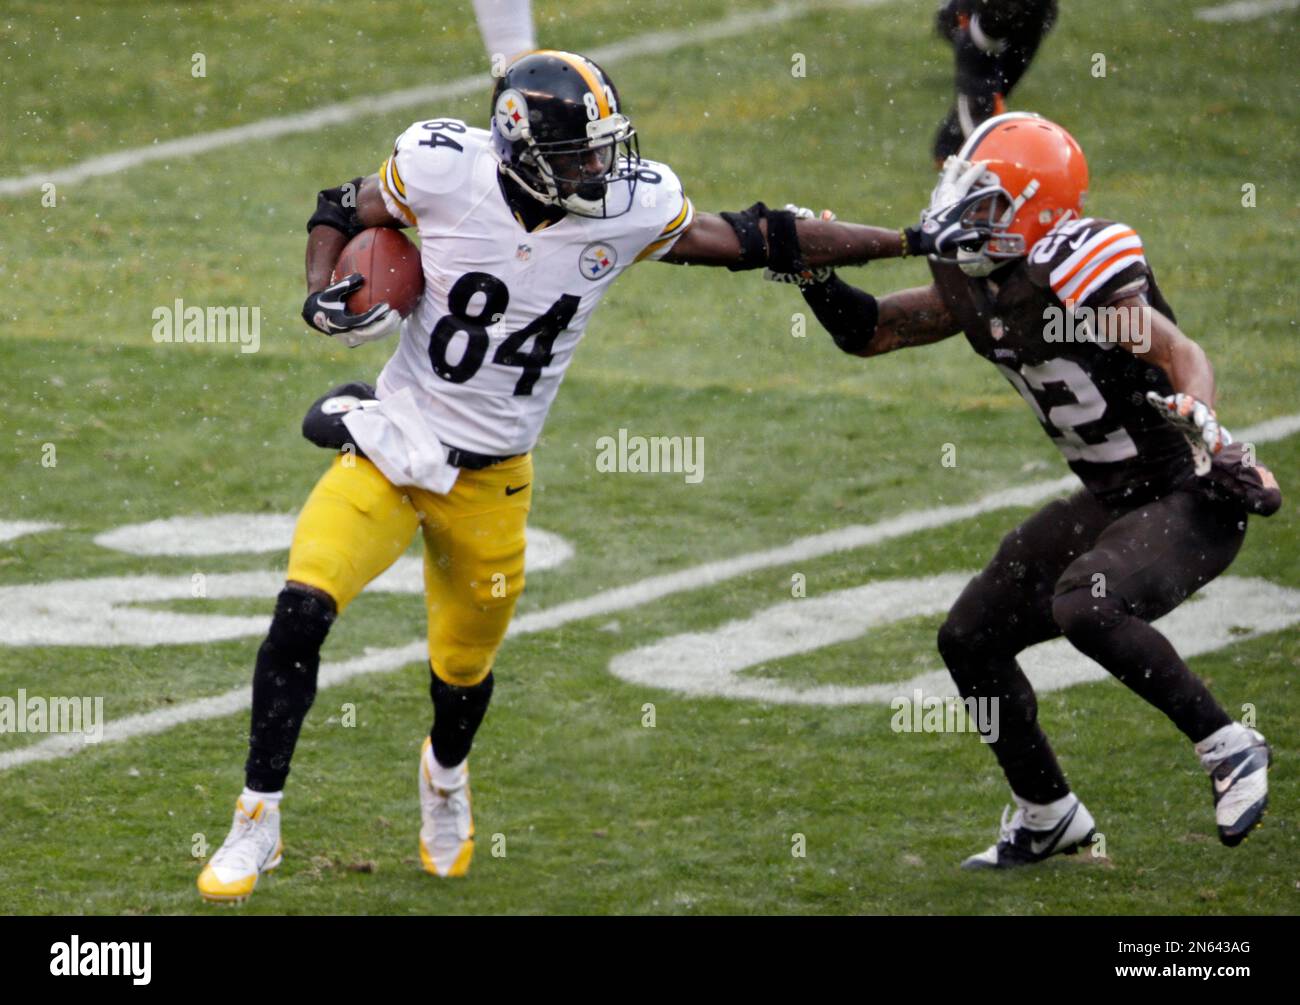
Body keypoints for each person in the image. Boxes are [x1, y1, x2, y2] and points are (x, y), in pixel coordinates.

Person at [197, 49, 907, 902]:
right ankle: (257, 818)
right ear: (521, 149)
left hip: (495, 478)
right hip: (398, 442)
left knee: (461, 670)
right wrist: (324, 292)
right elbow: (339, 206)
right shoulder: (442, 167)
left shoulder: (627, 209)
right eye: (581, 154)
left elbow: (762, 236)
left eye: (606, 149)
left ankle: (446, 776)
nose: (602, 169)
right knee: (301, 609)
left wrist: (907, 239)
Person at [783, 111, 1280, 868]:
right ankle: (1048, 813)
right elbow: (874, 330)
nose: (958, 216)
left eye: (982, 203)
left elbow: (1178, 348)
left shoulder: (1075, 265)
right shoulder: (969, 277)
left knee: (1087, 601)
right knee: (970, 638)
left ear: (1037, 213)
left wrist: (1202, 415)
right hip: (1113, 499)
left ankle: (1229, 744)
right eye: (960, 192)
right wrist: (816, 277)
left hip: (1188, 497)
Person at [931, 0, 1058, 165]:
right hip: (989, 18)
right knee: (985, 125)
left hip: (1024, 14)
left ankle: (952, 146)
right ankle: (954, 149)